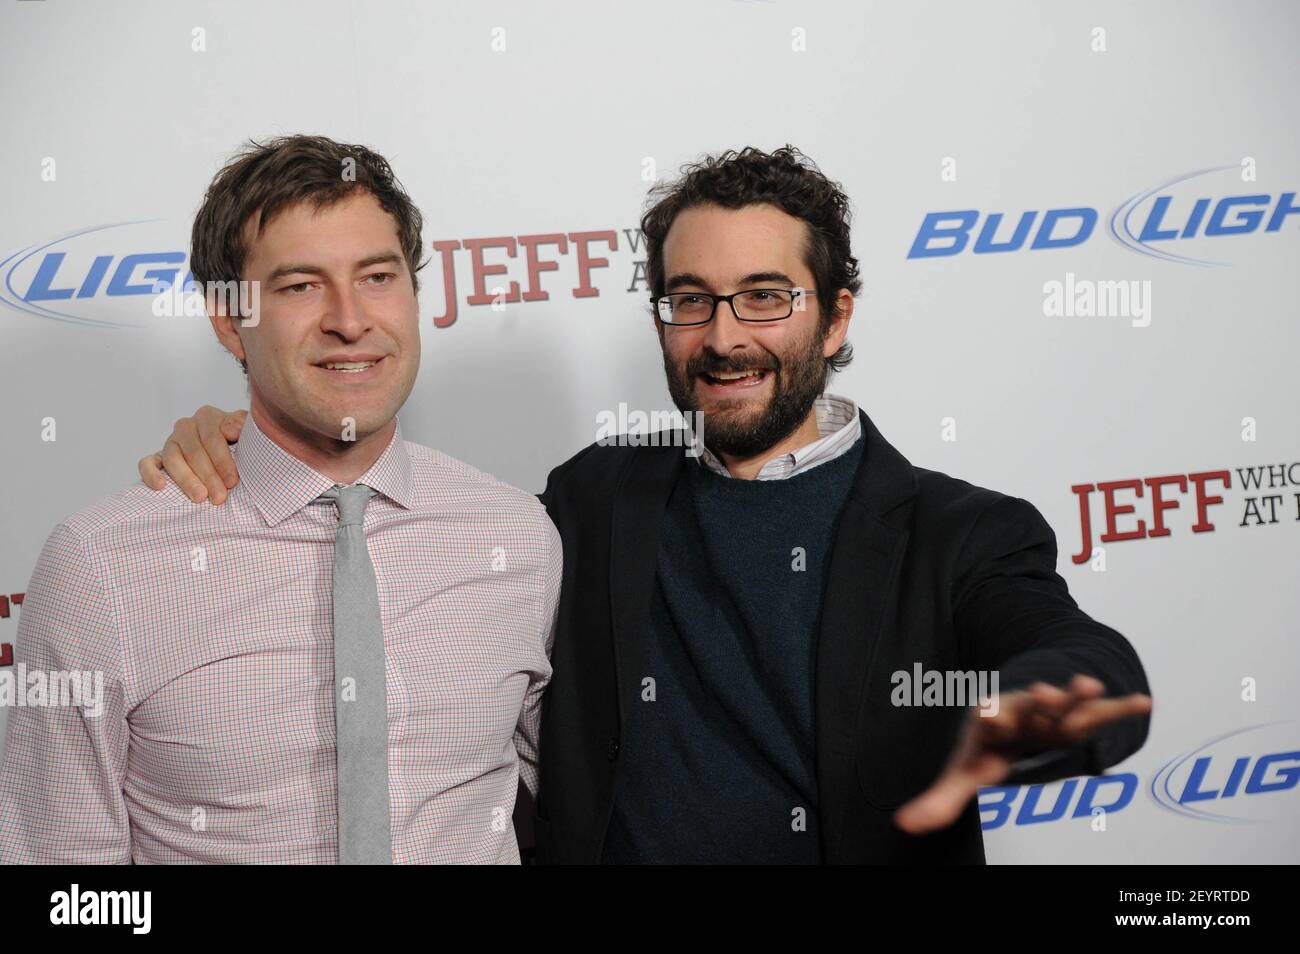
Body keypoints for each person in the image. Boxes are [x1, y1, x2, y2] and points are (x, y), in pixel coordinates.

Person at [136, 146, 1152, 864]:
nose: (722, 336)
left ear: (837, 315)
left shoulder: (959, 532)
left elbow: (1076, 658)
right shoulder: (590, 501)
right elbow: (386, 523)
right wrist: (241, 434)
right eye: (690, 299)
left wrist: (1039, 704)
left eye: (766, 296)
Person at [0, 135, 560, 864]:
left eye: (378, 277)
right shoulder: (102, 565)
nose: (350, 320)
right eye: (300, 286)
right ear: (230, 321)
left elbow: (588, 803)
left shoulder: (516, 538)